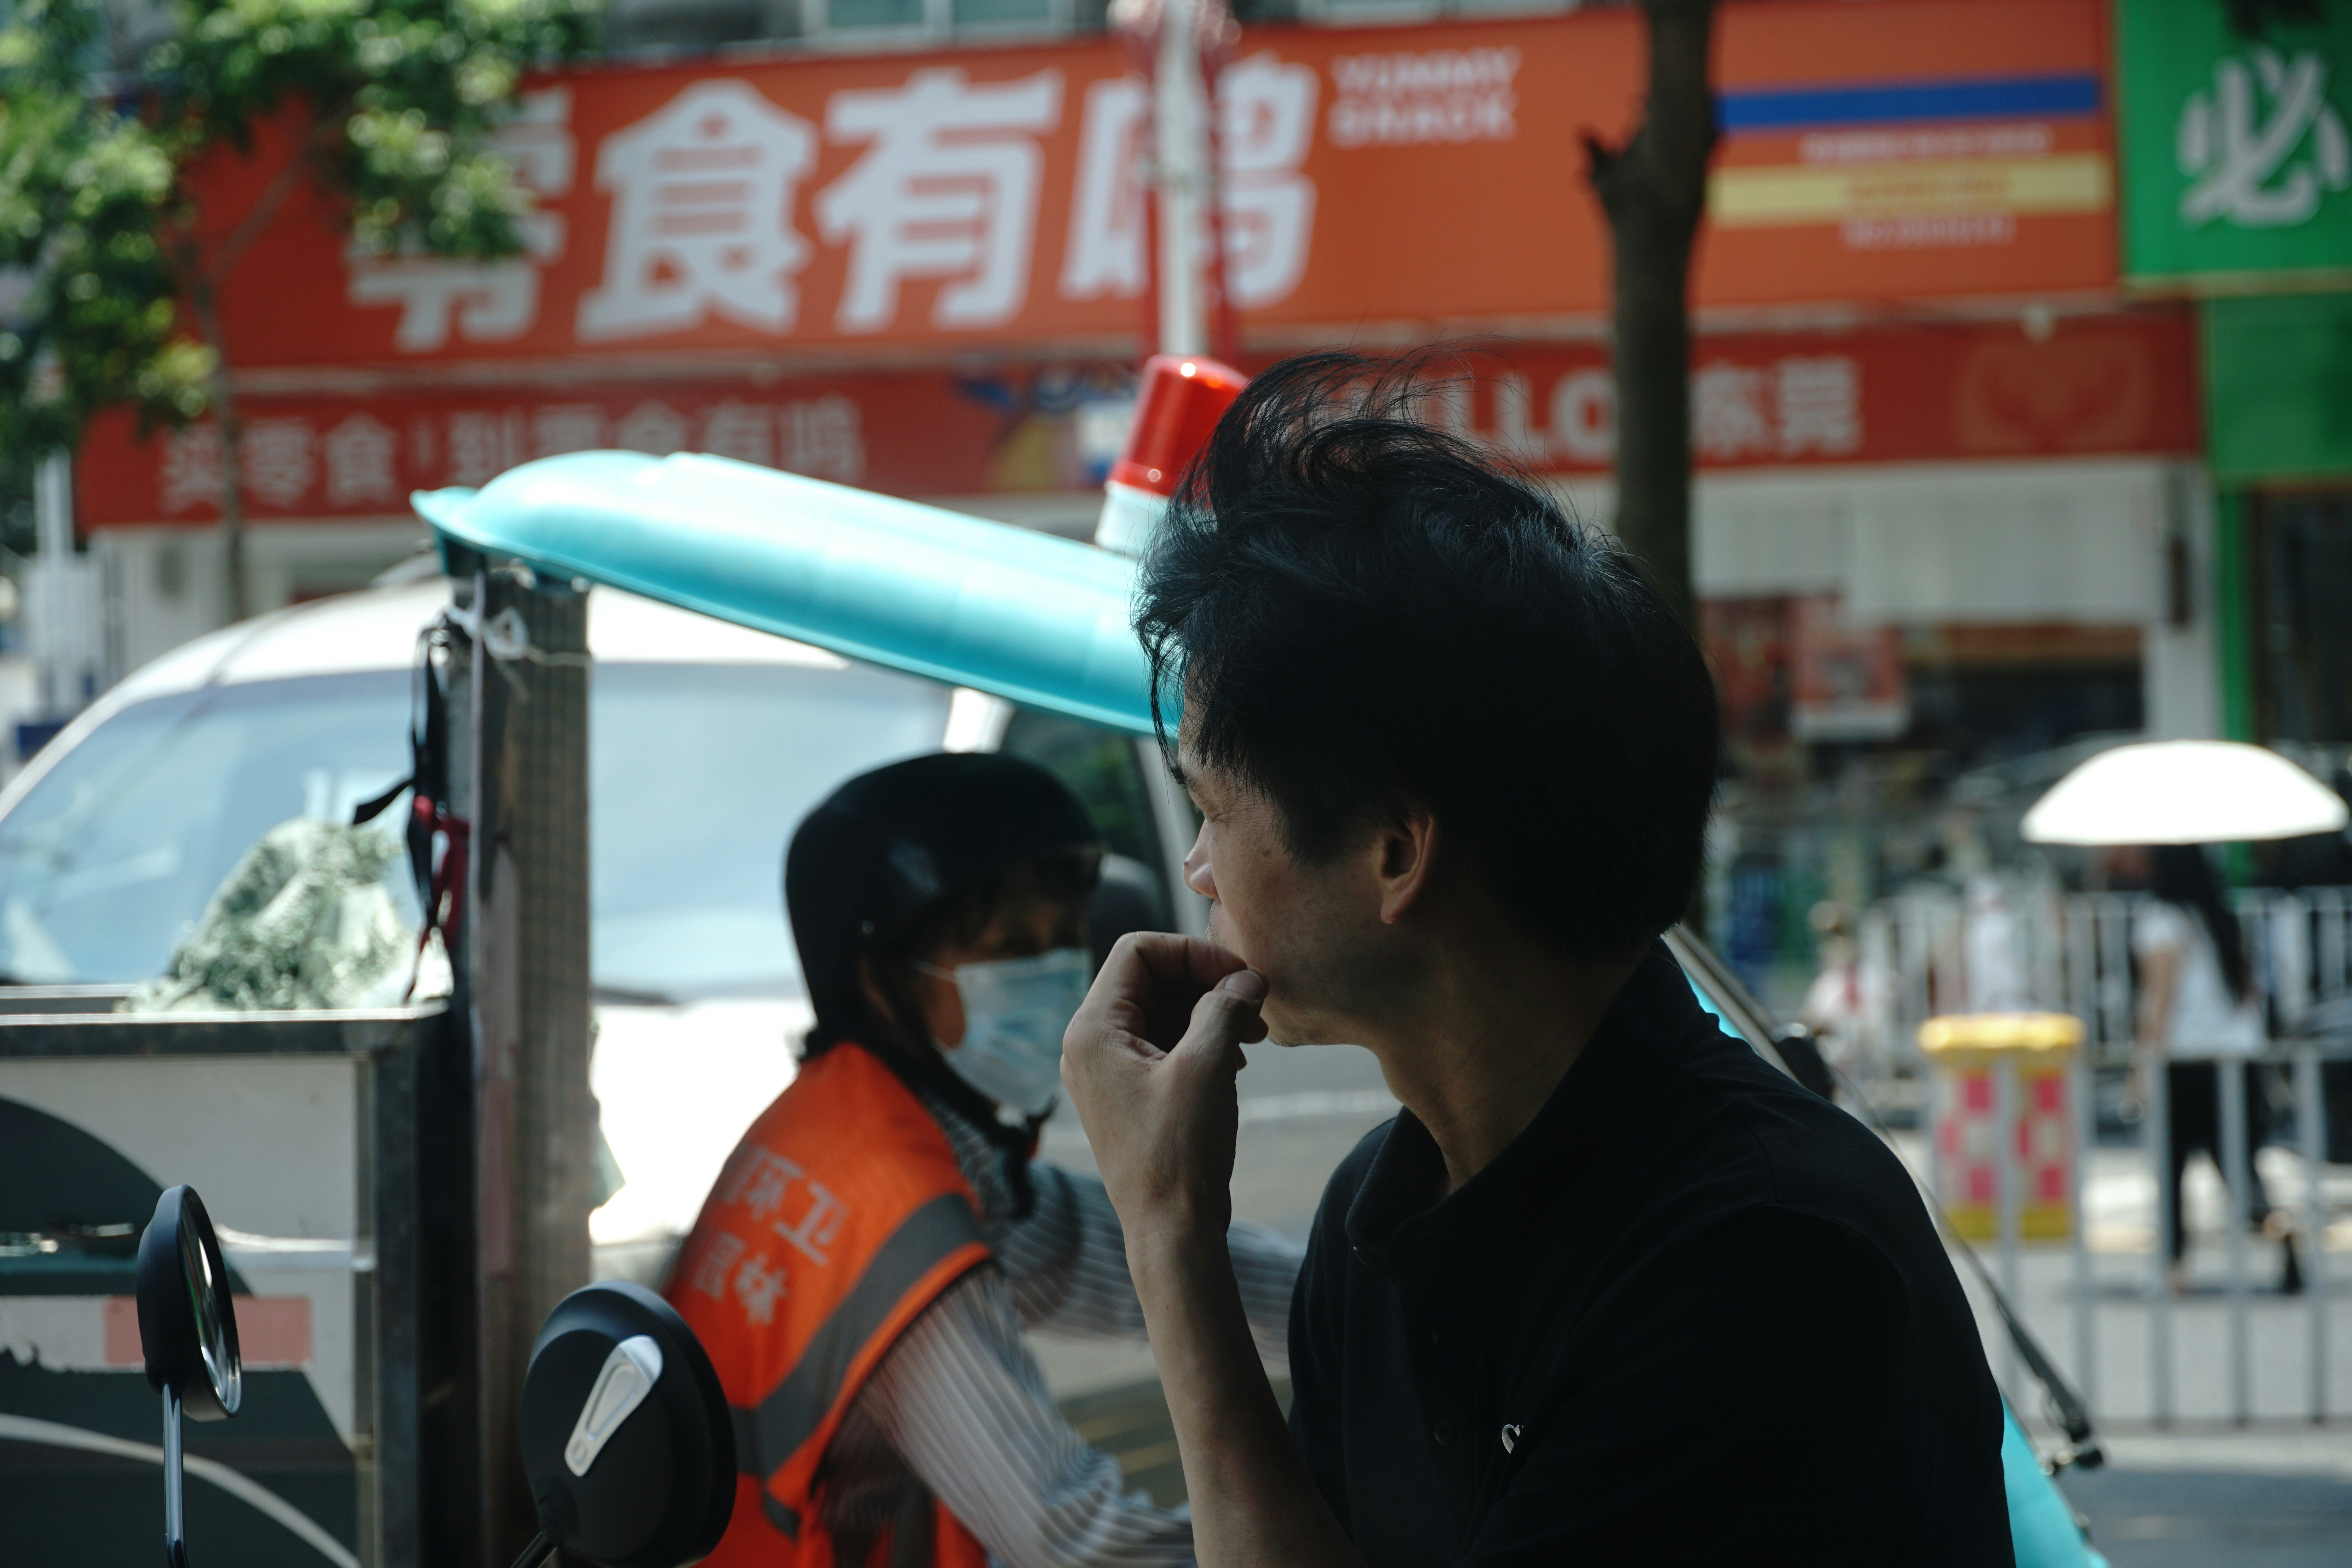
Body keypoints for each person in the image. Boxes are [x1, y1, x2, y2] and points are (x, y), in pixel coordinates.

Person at [1059, 354, 2016, 1566]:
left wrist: (1166, 1235)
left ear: (1395, 852)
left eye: (1210, 808)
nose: (1195, 868)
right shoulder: (1378, 1210)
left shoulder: (1759, 1262)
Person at [668, 751, 1300, 1567]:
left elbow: (1139, 1263)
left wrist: (1374, 1310)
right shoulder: (892, 1218)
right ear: (882, 977)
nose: (1049, 970)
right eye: (1007, 947)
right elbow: (1078, 1542)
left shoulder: (852, 1132)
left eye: (1061, 937)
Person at [2128, 841, 2301, 1294]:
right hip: (2236, 1059)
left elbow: (2158, 1001)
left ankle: (2174, 1268)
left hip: (2185, 1059)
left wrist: (2142, 1065)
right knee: (2238, 1164)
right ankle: (2280, 1228)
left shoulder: (2161, 920)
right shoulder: (2221, 917)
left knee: (2173, 1164)